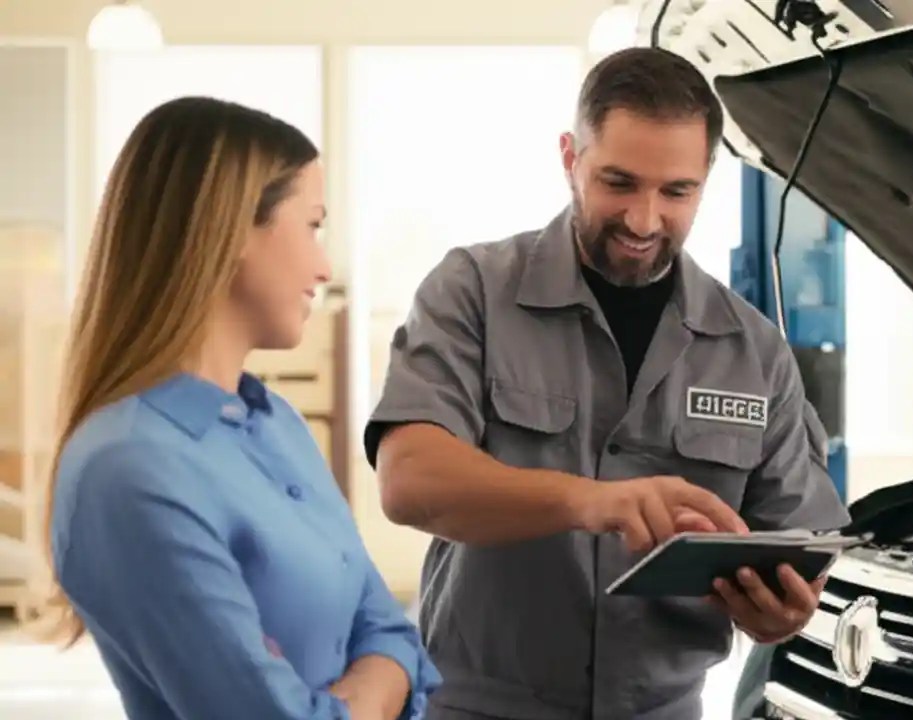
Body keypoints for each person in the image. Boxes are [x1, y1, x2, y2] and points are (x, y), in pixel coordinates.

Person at [365, 47, 851, 720]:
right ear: (570, 158)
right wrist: (592, 501)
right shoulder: (473, 292)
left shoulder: (753, 350)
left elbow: (799, 542)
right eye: (618, 182)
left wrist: (782, 615)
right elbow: (409, 479)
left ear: (705, 179)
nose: (644, 221)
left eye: (676, 191)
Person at [43, 96, 440, 720]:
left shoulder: (274, 422)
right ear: (230, 231)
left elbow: (392, 630)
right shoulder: (128, 469)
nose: (324, 265)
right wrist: (378, 689)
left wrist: (359, 690)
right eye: (312, 226)